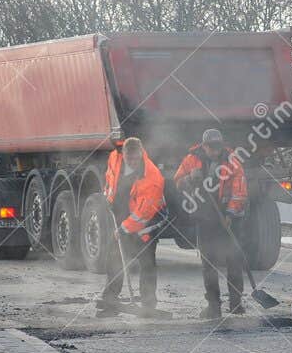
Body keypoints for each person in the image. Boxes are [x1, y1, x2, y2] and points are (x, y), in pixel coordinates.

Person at [174, 128, 248, 319]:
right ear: (204, 146)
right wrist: (190, 178)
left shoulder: (233, 162)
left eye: (217, 147)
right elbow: (177, 182)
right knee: (209, 263)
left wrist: (231, 214)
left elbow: (239, 191)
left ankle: (236, 303)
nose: (214, 151)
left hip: (228, 215)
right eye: (211, 147)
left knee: (233, 259)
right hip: (205, 216)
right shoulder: (191, 159)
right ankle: (213, 306)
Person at [96, 135, 167, 318]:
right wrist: (107, 195)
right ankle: (110, 301)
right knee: (115, 259)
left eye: (136, 159)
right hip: (122, 212)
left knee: (147, 263)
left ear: (142, 154)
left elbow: (143, 213)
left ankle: (148, 305)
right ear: (123, 154)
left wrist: (123, 229)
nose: (132, 162)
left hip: (147, 222)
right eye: (129, 159)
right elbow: (109, 176)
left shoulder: (152, 177)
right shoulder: (115, 157)